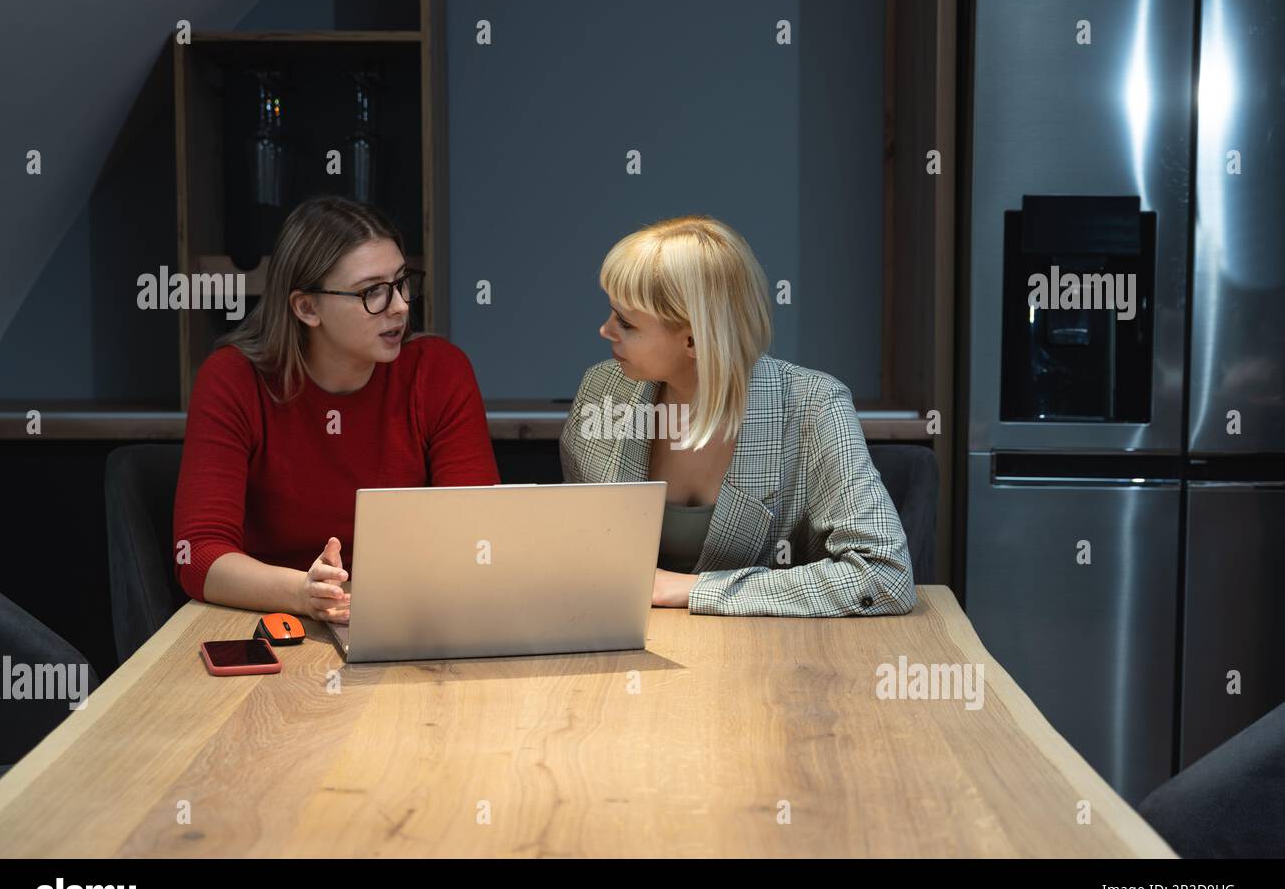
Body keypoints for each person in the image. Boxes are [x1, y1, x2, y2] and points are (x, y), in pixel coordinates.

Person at [560, 215, 915, 617]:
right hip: (629, 645)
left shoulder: (815, 404)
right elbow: (582, 553)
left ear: (694, 338)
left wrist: (696, 590)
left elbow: (885, 578)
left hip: (780, 657)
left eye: (626, 321)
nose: (605, 330)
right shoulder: (603, 391)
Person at [174, 196, 499, 625]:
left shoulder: (438, 371)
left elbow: (479, 535)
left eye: (402, 282)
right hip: (271, 619)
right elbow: (198, 556)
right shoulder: (234, 379)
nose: (400, 306)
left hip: (404, 614)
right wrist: (304, 593)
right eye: (372, 292)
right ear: (307, 308)